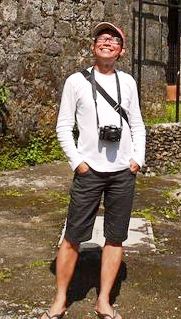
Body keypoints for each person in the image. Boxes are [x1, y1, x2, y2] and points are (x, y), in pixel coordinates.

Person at [45, 22, 146, 319]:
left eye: (114, 40)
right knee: (73, 235)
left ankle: (104, 301)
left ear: (121, 50)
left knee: (115, 237)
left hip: (121, 173)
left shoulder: (127, 82)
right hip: (89, 172)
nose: (107, 42)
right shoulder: (75, 82)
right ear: (93, 47)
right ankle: (60, 299)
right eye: (102, 38)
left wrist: (137, 159)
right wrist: (78, 163)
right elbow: (64, 126)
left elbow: (138, 124)